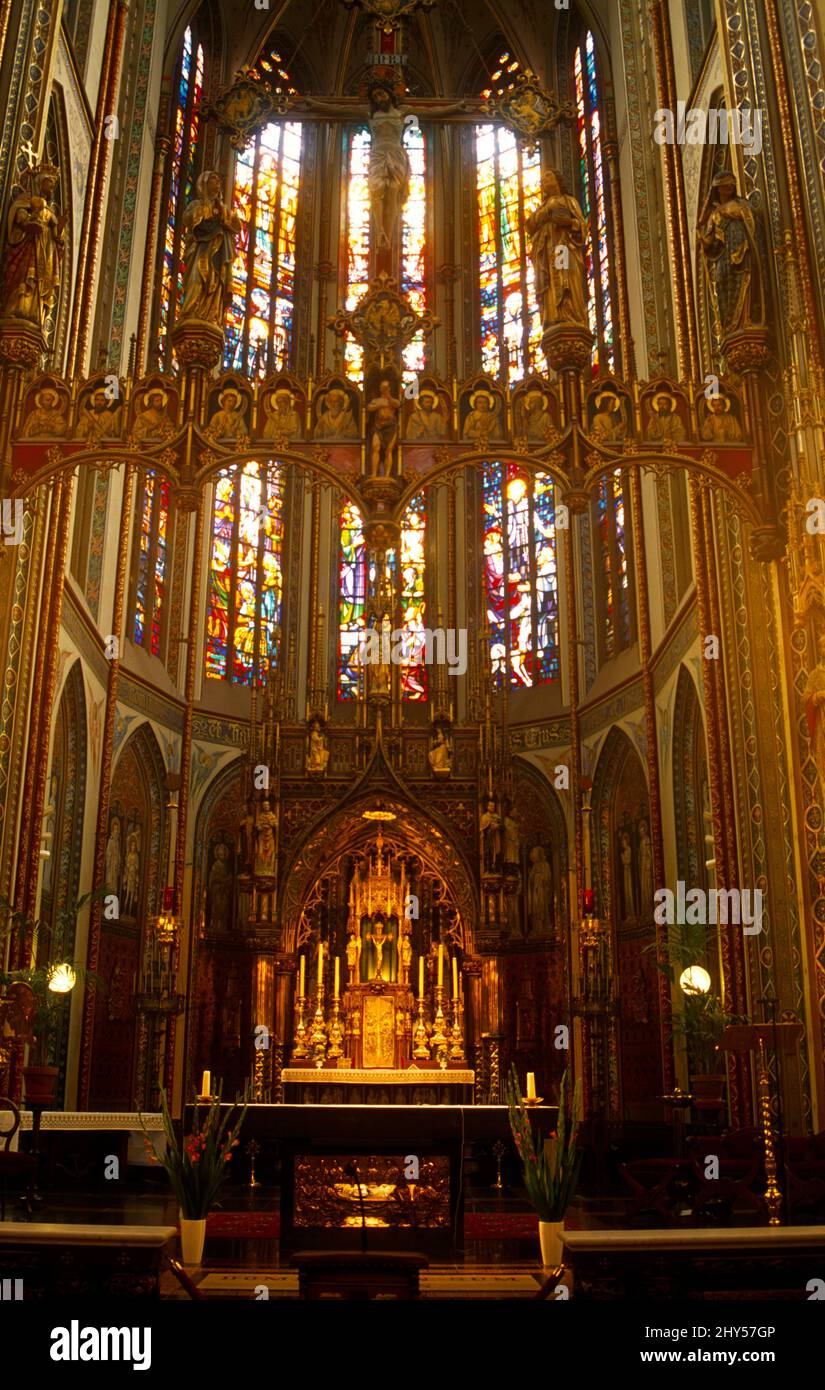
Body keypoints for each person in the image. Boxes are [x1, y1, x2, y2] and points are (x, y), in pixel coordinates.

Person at [697, 169, 764, 339]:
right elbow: (711, 242)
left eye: (731, 186)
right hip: (723, 258)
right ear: (718, 189)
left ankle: (745, 319)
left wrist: (724, 212)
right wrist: (703, 241)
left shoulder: (740, 204)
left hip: (740, 249)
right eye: (726, 187)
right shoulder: (713, 215)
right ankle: (730, 327)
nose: (729, 189)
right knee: (721, 281)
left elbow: (749, 218)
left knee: (743, 279)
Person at [1, 163, 66, 329]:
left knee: (40, 283)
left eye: (54, 184)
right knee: (24, 277)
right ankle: (16, 308)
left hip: (45, 253)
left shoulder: (50, 213)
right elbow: (18, 216)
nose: (52, 187)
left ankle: (35, 315)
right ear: (40, 182)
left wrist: (59, 231)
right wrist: (28, 219)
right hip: (29, 248)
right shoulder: (25, 201)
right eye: (49, 182)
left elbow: (58, 239)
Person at [526, 169, 588, 330]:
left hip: (563, 248)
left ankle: (569, 315)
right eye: (543, 179)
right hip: (545, 253)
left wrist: (568, 223)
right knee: (549, 284)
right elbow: (530, 225)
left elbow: (582, 226)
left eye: (548, 176)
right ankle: (553, 317)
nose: (544, 180)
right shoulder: (542, 207)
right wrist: (547, 213)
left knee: (564, 277)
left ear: (557, 180)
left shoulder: (568, 201)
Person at [179, 171, 241, 326]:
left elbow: (237, 225)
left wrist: (223, 215)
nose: (218, 181)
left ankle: (212, 316)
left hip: (218, 257)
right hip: (199, 254)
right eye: (214, 178)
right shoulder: (196, 205)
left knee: (215, 284)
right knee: (197, 280)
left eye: (219, 179)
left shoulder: (222, 208)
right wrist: (208, 212)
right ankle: (191, 312)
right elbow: (189, 219)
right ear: (204, 183)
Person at [366, 377, 400, 475]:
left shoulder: (393, 400)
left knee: (388, 451)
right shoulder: (376, 400)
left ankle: (387, 474)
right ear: (380, 388)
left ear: (389, 388)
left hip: (391, 427)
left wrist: (388, 396)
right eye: (382, 387)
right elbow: (369, 408)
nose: (384, 389)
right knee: (375, 447)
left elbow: (397, 405)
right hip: (379, 426)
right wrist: (380, 405)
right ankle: (373, 473)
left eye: (386, 387)